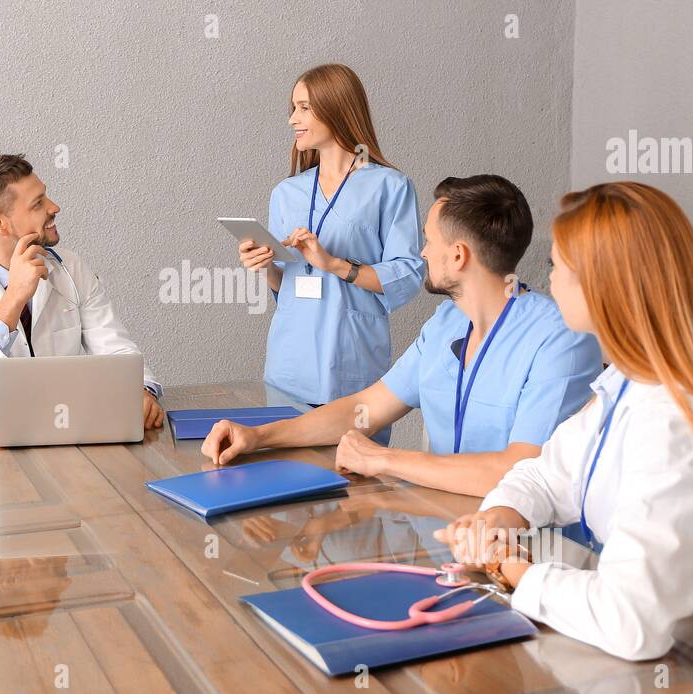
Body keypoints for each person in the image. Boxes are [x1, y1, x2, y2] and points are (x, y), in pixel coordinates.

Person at [435, 182, 693, 669]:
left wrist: (513, 567)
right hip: (674, 644)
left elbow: (632, 623)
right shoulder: (628, 381)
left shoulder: (677, 421)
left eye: (557, 265)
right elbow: (545, 473)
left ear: (601, 287)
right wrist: (498, 519)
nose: (549, 278)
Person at [205, 175, 602, 497]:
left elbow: (517, 469)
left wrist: (385, 460)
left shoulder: (561, 339)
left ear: (459, 255)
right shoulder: (447, 322)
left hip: (524, 551)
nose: (422, 254)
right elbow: (364, 408)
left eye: (428, 241)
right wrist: (258, 436)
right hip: (446, 530)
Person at [239, 64, 425, 435]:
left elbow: (409, 273)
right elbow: (287, 286)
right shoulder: (286, 193)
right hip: (289, 367)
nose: (293, 119)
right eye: (292, 108)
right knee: (286, 482)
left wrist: (336, 265)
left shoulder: (389, 187)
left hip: (351, 366)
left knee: (353, 485)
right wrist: (265, 266)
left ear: (337, 108)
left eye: (304, 108)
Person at [0, 152, 163, 424]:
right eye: (37, 204)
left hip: (65, 430)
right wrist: (13, 299)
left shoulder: (70, 268)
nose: (54, 207)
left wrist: (140, 390)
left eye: (45, 196)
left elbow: (117, 351)